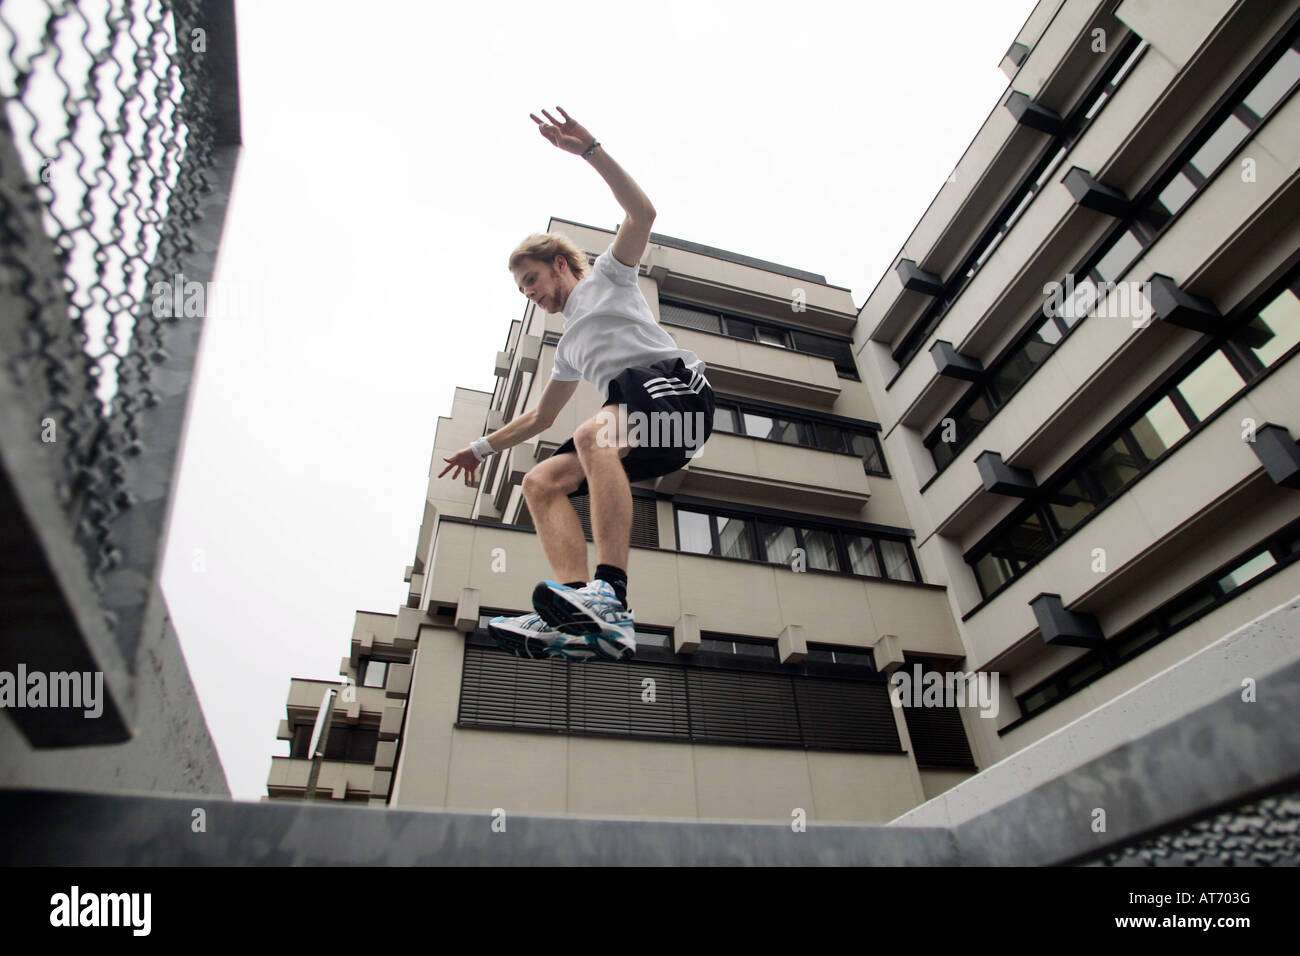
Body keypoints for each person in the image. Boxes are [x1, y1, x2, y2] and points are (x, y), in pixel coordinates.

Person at [439, 106, 715, 662]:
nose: (531, 295)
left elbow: (643, 212)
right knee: (540, 481)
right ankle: (577, 612)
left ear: (562, 264)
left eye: (533, 280)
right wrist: (478, 448)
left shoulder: (610, 278)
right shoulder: (567, 348)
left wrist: (591, 152)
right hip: (644, 418)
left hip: (677, 392)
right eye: (522, 291)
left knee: (594, 436)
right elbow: (539, 419)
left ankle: (611, 593)